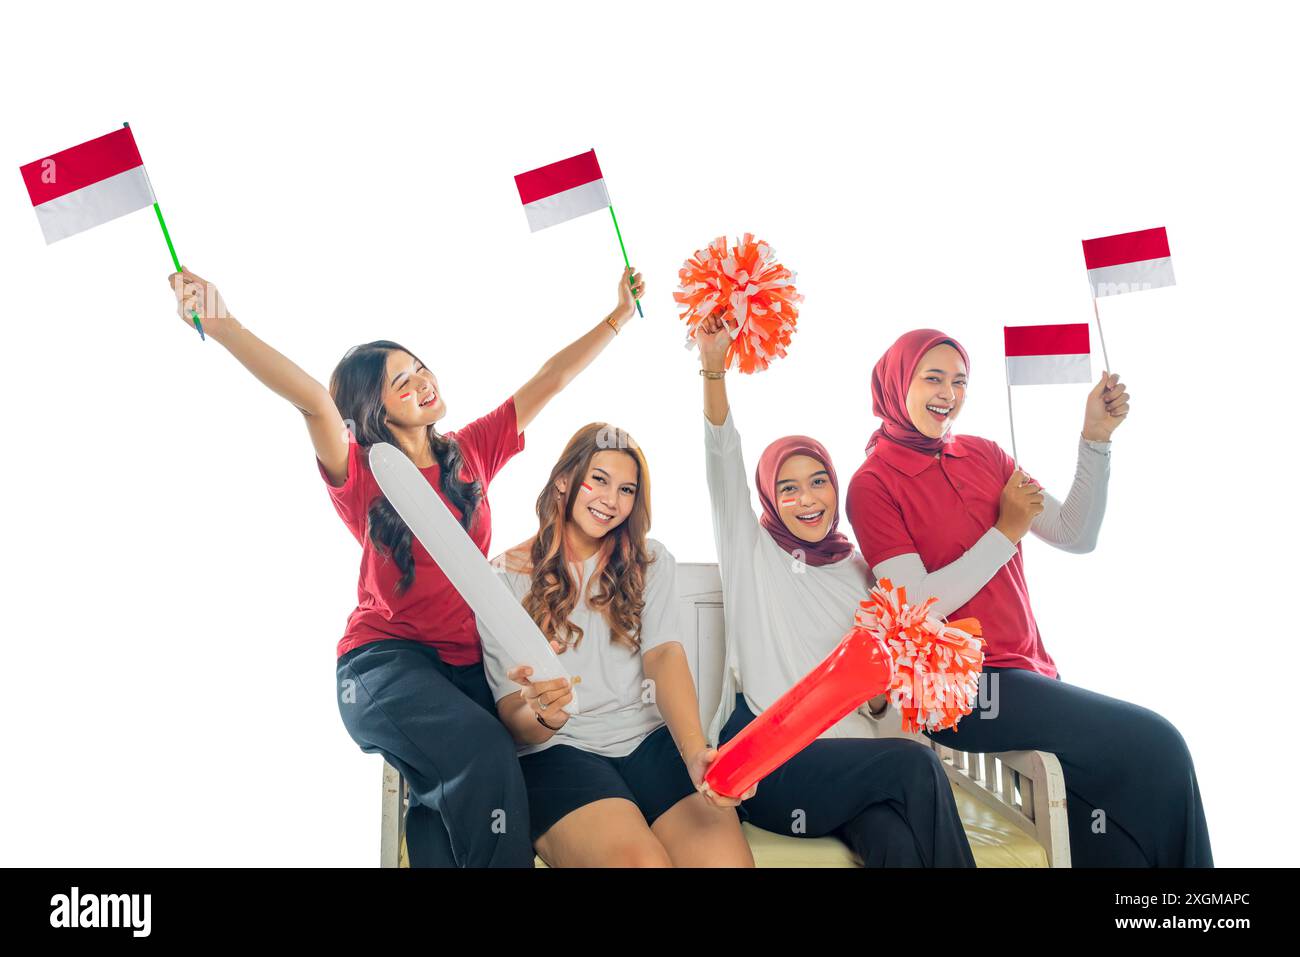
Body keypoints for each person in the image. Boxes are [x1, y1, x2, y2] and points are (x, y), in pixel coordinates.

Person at [167, 265, 645, 867]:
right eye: (400, 382)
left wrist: (619, 315)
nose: (421, 381)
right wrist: (221, 323)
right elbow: (311, 399)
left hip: (466, 667)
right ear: (374, 407)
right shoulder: (362, 473)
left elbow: (550, 379)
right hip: (385, 664)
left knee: (449, 795)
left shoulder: (469, 454)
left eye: (419, 367)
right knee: (482, 752)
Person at [845, 328, 1212, 867]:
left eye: (959, 381)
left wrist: (1095, 437)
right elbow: (917, 605)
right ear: (898, 383)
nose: (948, 393)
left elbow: (1074, 532)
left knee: (1114, 820)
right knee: (1160, 745)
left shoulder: (985, 455)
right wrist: (1006, 532)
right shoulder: (872, 483)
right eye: (933, 378)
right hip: (966, 692)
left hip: (1030, 675)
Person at [697, 312, 976, 867]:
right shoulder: (750, 548)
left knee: (896, 842)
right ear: (769, 499)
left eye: (819, 482)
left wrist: (879, 688)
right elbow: (721, 457)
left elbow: (874, 700)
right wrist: (713, 368)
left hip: (850, 768)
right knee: (916, 767)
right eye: (789, 488)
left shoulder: (862, 570)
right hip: (774, 767)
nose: (807, 500)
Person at [478, 423, 754, 866]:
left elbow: (664, 656)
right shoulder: (503, 576)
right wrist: (544, 713)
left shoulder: (651, 561)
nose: (611, 499)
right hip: (558, 752)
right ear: (565, 480)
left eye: (626, 489)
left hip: (647, 741)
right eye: (599, 480)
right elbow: (515, 714)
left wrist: (696, 752)